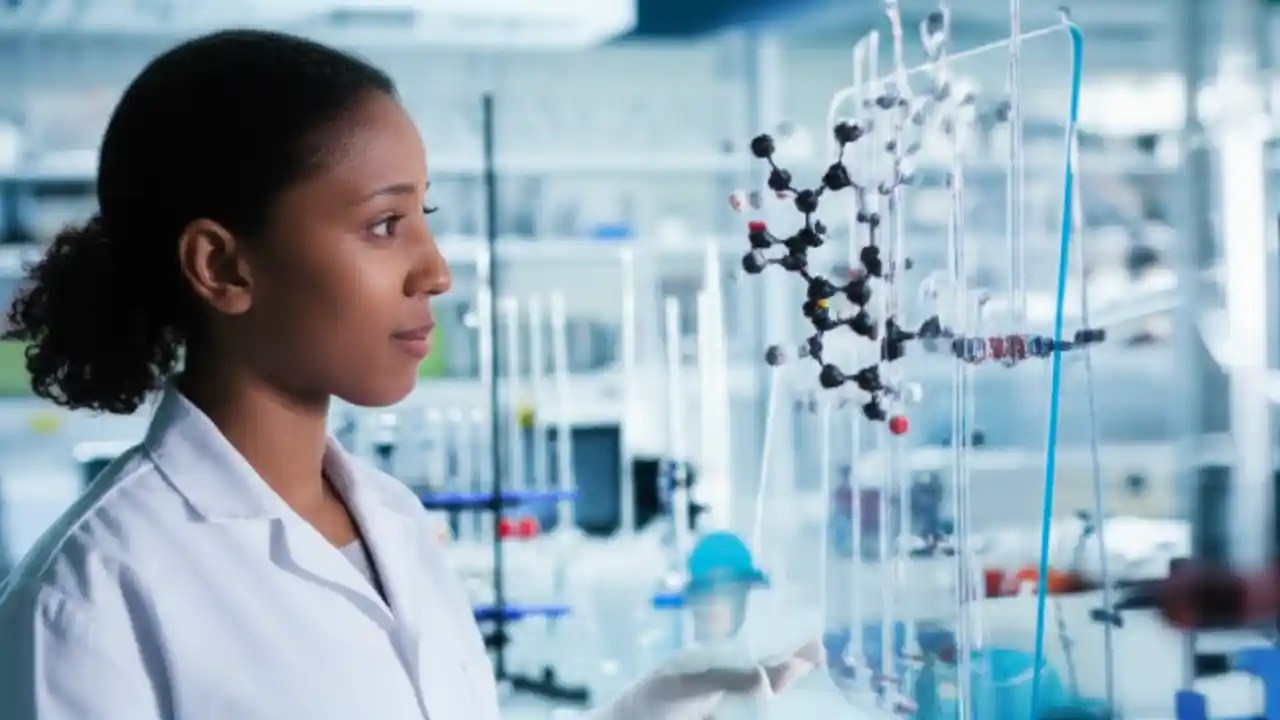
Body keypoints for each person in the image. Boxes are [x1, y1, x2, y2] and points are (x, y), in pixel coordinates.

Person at [0, 30, 821, 720]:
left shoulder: (392, 519)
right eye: (384, 224)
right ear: (221, 266)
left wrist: (650, 711)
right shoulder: (90, 595)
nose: (435, 271)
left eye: (423, 215)